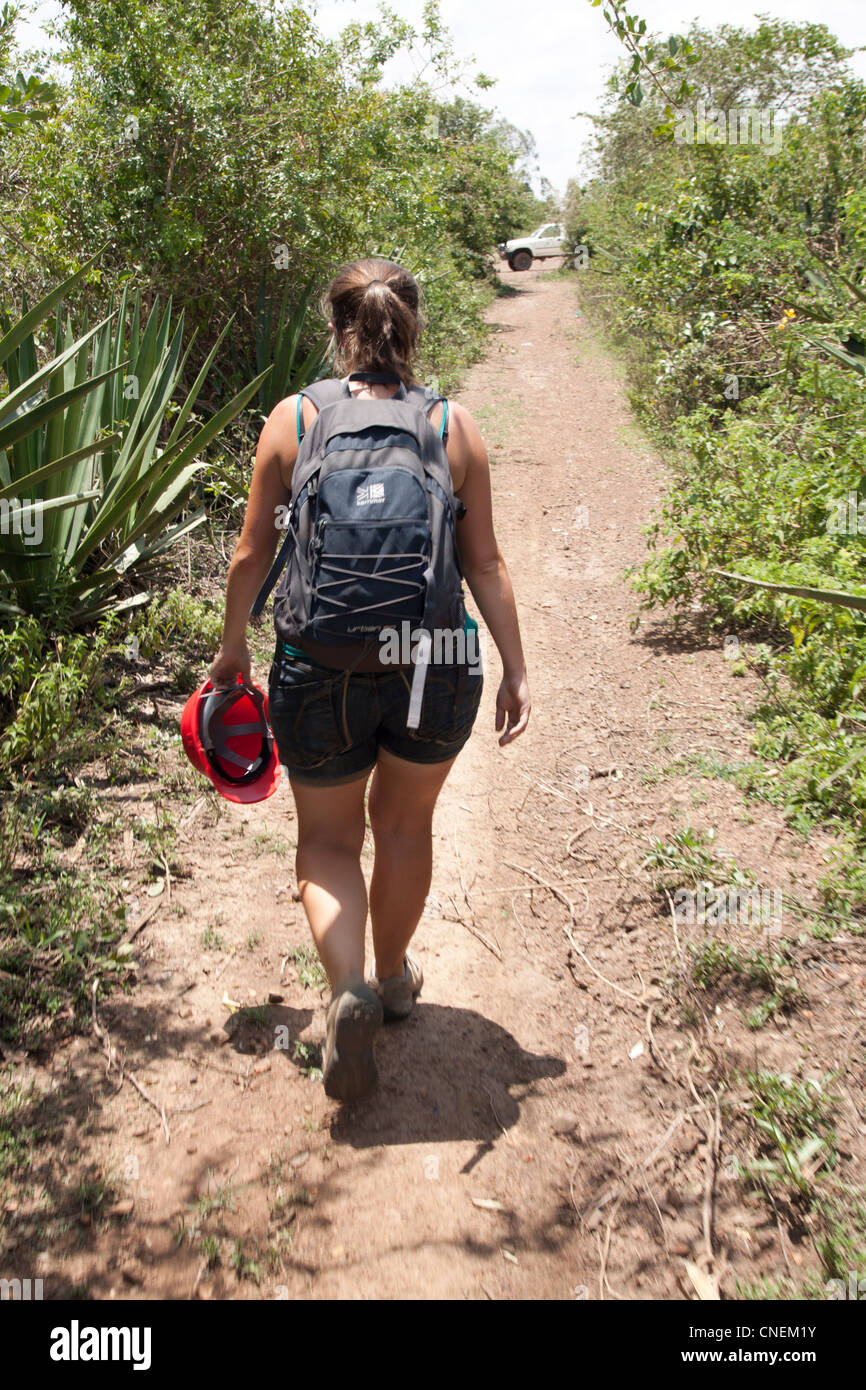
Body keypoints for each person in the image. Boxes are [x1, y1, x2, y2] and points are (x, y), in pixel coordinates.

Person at [209, 257, 530, 1102]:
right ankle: (393, 980)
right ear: (414, 326)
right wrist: (515, 666)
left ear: (335, 326)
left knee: (325, 840)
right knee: (406, 826)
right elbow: (485, 562)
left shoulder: (295, 417)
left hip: (320, 666)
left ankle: (346, 986)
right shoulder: (454, 426)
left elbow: (251, 554)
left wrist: (231, 649)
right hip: (438, 665)